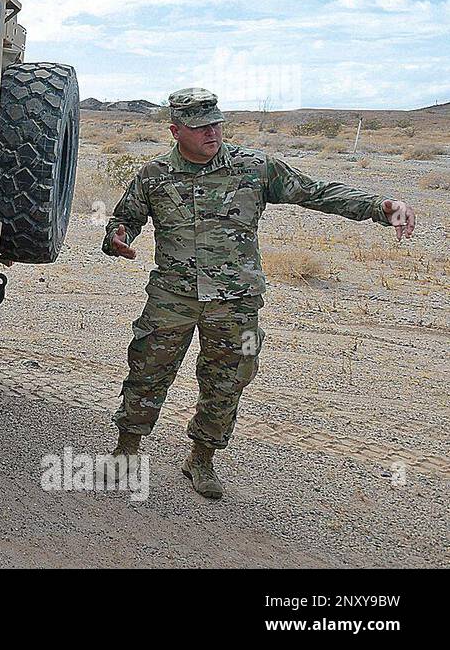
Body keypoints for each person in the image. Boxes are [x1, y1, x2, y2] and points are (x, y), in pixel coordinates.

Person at [102, 87, 416, 498]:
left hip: (236, 302)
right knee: (147, 372)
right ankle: (126, 449)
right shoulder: (153, 174)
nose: (212, 133)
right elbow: (125, 218)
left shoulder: (255, 167)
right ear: (175, 130)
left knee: (228, 380)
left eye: (216, 123)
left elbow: (315, 191)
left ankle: (201, 458)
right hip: (171, 298)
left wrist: (380, 207)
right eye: (199, 127)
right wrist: (118, 237)